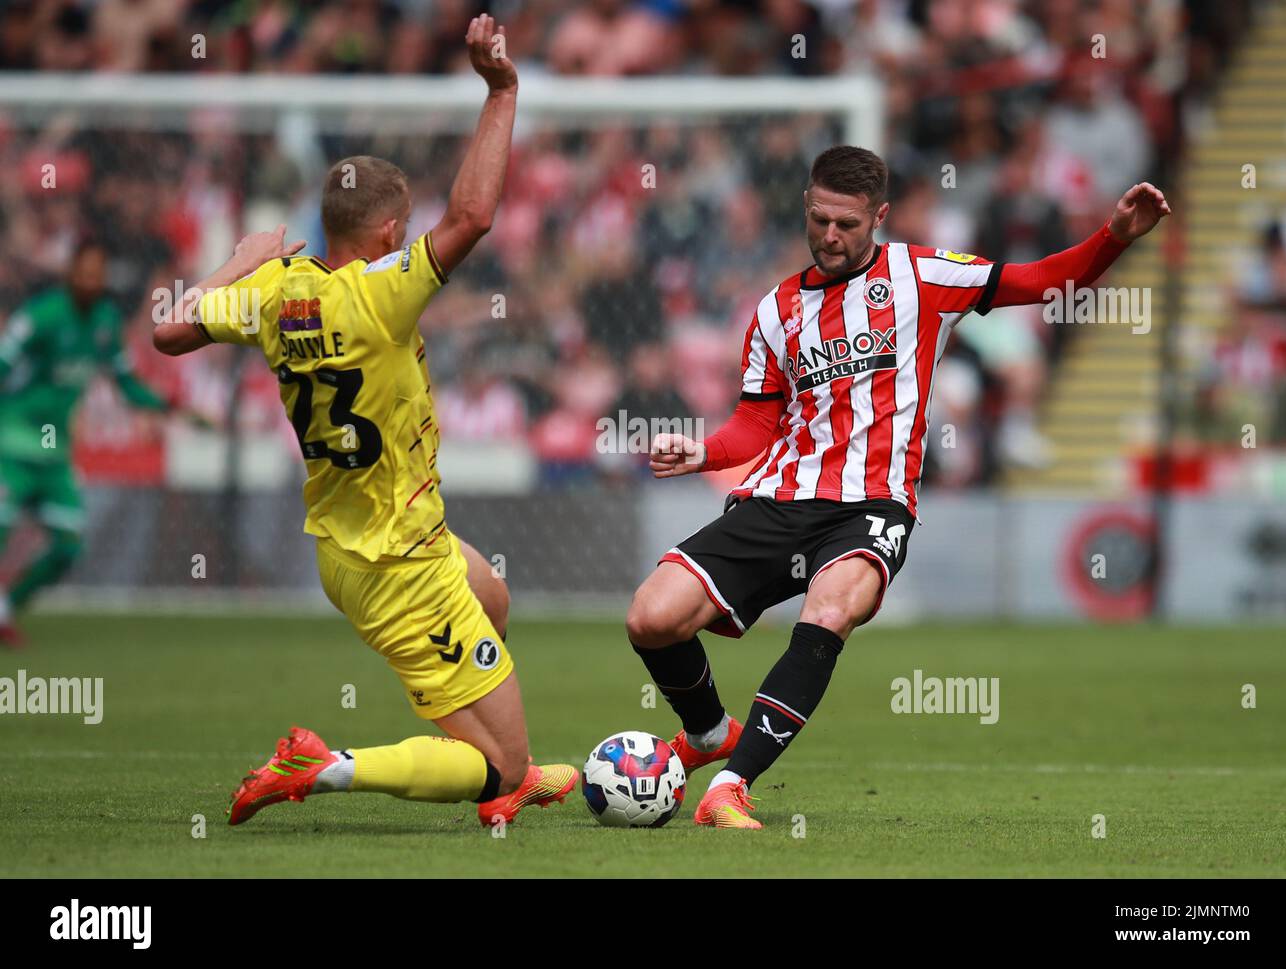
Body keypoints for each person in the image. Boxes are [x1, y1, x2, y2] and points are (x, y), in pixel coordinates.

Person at [628, 145, 1170, 828]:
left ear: (878, 217)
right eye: (820, 219)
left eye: (848, 225)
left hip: (872, 506)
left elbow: (1041, 280)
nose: (831, 235)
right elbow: (754, 424)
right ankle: (709, 735)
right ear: (806, 207)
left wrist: (1114, 235)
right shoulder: (775, 311)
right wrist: (703, 450)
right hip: (778, 497)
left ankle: (729, 787)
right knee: (650, 618)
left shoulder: (924, 276)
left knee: (829, 611)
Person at [152, 15, 577, 827]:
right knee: (505, 769)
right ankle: (328, 765)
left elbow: (168, 329)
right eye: (404, 230)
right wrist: (502, 91)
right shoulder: (385, 294)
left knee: (489, 596)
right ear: (389, 234)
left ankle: (465, 743)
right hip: (400, 560)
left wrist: (239, 260)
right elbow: (476, 213)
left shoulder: (275, 293)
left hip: (346, 547)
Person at [0, 239, 170, 647]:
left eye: (98, 274)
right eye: (85, 272)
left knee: (68, 548)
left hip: (55, 454)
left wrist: (165, 403)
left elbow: (125, 383)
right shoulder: (41, 316)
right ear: (70, 272)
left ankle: (6, 609)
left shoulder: (107, 322)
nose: (91, 280)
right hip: (12, 444)